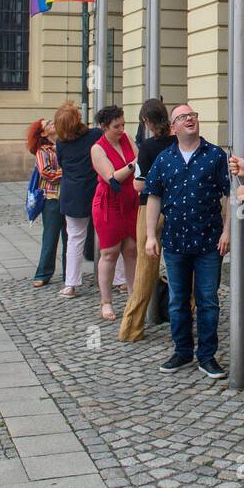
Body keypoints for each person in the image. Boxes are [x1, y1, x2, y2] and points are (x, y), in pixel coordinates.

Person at [144, 104, 230, 379]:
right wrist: (149, 236)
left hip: (208, 243)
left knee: (208, 300)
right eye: (182, 117)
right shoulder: (164, 158)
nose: (190, 119)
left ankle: (207, 356)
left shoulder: (215, 156)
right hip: (174, 242)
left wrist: (228, 231)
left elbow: (231, 195)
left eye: (193, 115)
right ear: (173, 127)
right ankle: (182, 351)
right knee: (177, 301)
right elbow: (154, 197)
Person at [119, 99, 176, 343]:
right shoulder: (177, 143)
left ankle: (131, 328)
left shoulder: (148, 148)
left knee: (145, 269)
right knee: (182, 265)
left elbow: (138, 185)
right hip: (176, 207)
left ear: (146, 122)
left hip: (149, 209)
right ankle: (185, 314)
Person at [90, 105, 138, 321]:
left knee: (131, 249)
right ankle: (106, 302)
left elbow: (140, 163)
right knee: (109, 252)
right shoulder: (97, 148)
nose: (121, 129)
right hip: (108, 203)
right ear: (104, 127)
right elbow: (112, 178)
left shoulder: (127, 138)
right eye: (116, 126)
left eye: (123, 125)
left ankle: (133, 297)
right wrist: (133, 165)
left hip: (130, 201)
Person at [54, 101, 102, 298]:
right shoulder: (95, 136)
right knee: (109, 237)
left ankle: (71, 284)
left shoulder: (60, 143)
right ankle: (120, 279)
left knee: (74, 240)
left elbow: (61, 165)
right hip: (96, 192)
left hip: (72, 195)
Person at [27, 118, 67, 287]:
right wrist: (67, 172)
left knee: (69, 238)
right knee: (50, 238)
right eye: (49, 124)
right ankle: (43, 273)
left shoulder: (63, 144)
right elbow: (46, 173)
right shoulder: (42, 151)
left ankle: (70, 274)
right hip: (52, 199)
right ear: (43, 133)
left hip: (67, 196)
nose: (53, 124)